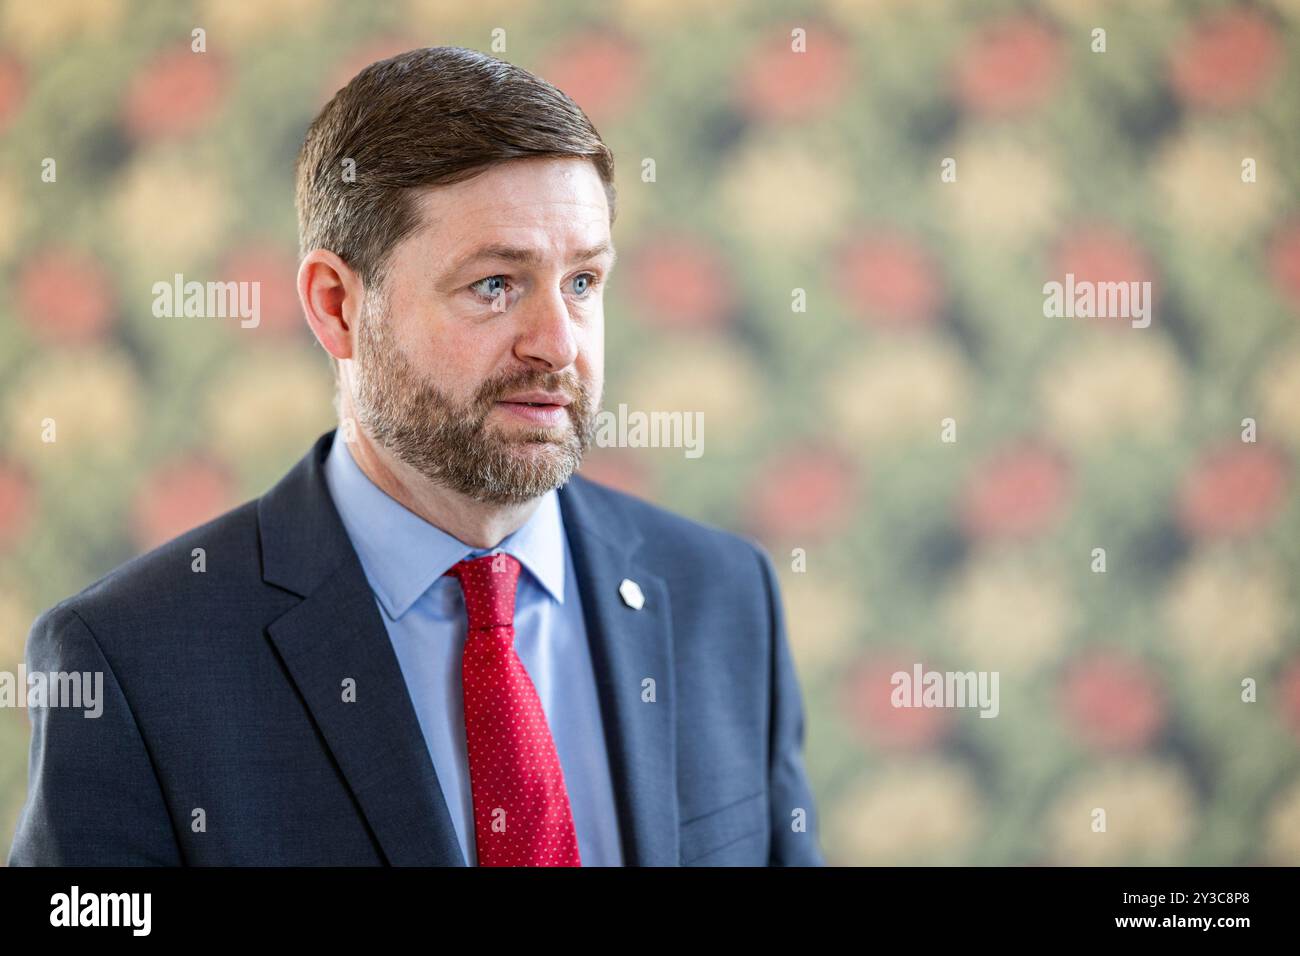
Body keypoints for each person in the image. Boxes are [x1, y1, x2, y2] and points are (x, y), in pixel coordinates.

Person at [7, 46, 823, 867]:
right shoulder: (131, 662)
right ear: (337, 307)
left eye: (582, 282)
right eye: (495, 284)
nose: (558, 346)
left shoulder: (724, 597)